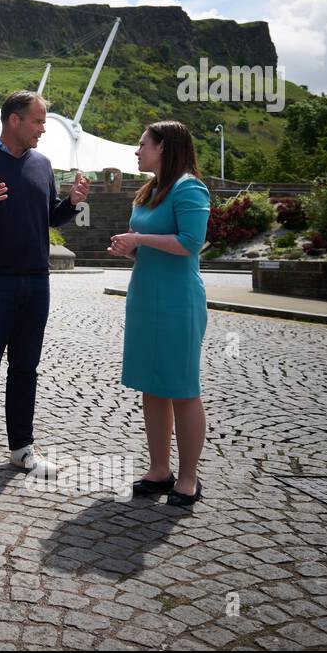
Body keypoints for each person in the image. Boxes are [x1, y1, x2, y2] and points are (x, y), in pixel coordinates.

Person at [0, 90, 89, 480]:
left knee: (26, 367)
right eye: (38, 121)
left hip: (36, 282)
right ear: (14, 120)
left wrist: (72, 203)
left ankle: (22, 449)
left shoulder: (42, 164)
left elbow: (48, 216)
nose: (43, 129)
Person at [106, 120, 211, 507]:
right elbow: (149, 246)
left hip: (177, 301)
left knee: (182, 389)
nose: (137, 151)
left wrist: (140, 239)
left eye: (142, 144)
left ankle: (188, 479)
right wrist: (129, 249)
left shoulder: (189, 187)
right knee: (151, 385)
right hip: (145, 297)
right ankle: (158, 470)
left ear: (164, 147)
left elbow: (190, 243)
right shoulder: (149, 190)